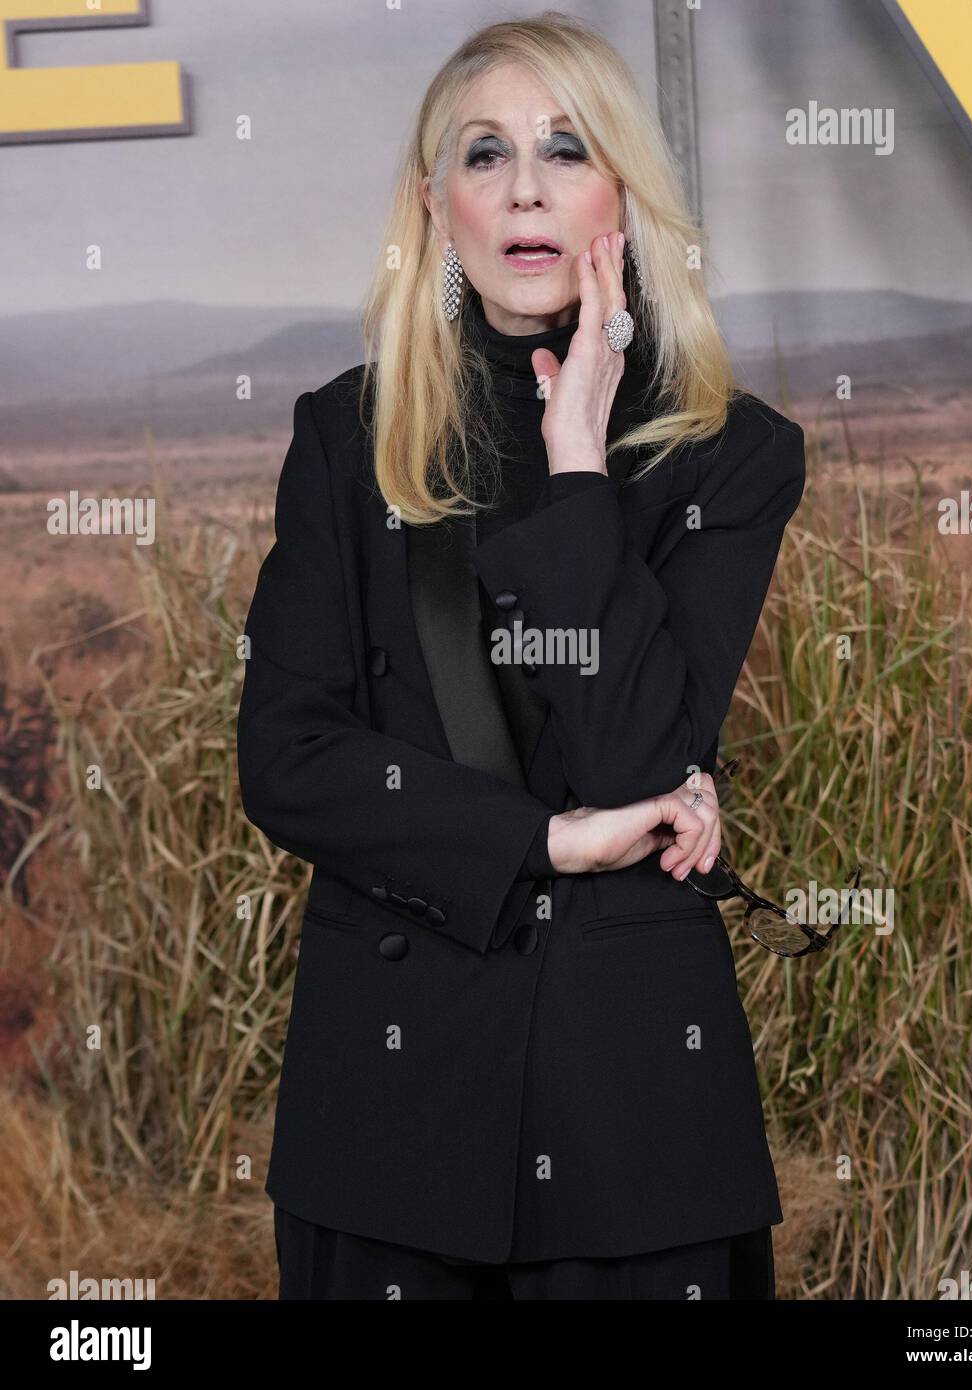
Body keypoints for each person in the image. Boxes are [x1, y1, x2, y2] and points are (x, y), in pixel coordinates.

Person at [237, 12, 806, 1301]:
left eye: (568, 147)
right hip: (392, 1107)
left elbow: (636, 753)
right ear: (439, 208)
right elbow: (290, 759)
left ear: (625, 194)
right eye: (486, 154)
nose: (529, 184)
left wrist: (578, 462)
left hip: (630, 1113)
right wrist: (547, 844)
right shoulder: (345, 438)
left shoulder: (733, 450)